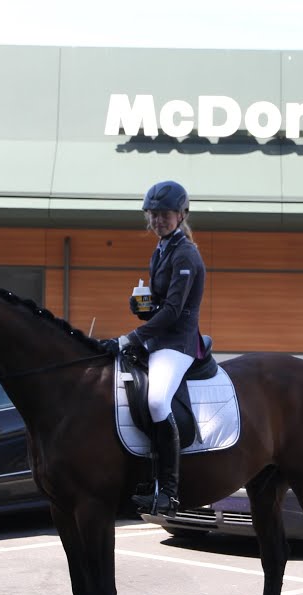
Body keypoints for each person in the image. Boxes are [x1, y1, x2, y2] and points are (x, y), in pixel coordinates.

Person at [102, 180, 206, 516]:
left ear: (181, 214)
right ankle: (147, 479)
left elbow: (174, 312)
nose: (157, 220)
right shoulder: (160, 250)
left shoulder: (186, 253)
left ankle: (171, 493)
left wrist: (133, 335)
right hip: (157, 339)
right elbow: (160, 306)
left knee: (158, 400)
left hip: (177, 343)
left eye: (164, 214)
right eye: (153, 214)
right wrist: (142, 306)